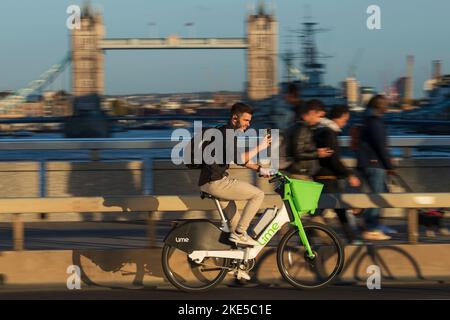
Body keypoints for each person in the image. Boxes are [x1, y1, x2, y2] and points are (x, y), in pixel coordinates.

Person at [199, 102, 274, 247]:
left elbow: (240, 160)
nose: (248, 125)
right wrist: (261, 146)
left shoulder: (223, 131)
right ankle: (240, 234)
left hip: (210, 182)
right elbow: (240, 159)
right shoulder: (227, 134)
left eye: (249, 121)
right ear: (235, 118)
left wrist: (260, 169)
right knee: (258, 195)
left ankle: (236, 265)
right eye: (246, 120)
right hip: (216, 183)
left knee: (235, 224)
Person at [313, 105, 361, 243]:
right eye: (345, 120)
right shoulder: (329, 133)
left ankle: (351, 238)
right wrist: (349, 174)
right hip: (327, 177)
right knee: (337, 209)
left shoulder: (321, 130)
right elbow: (333, 158)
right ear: (338, 118)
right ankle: (352, 239)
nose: (345, 123)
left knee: (330, 209)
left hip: (322, 175)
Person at [356, 95, 396, 241]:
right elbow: (380, 145)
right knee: (377, 196)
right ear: (380, 106)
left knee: (380, 193)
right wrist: (389, 165)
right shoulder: (374, 121)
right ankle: (371, 227)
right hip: (374, 163)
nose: (387, 107)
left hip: (370, 162)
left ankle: (372, 223)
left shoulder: (367, 119)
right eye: (386, 104)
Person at [286, 99, 333, 180]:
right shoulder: (303, 129)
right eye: (319, 116)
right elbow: (298, 153)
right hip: (300, 174)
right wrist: (318, 153)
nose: (320, 120)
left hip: (298, 172)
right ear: (311, 113)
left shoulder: (297, 126)